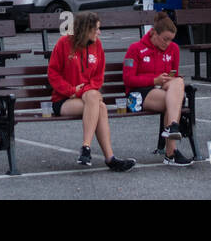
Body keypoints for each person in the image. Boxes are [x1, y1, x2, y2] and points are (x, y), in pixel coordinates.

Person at [46, 11, 135, 171]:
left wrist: (82, 91)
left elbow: (98, 77)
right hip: (64, 99)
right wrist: (72, 90)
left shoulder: (98, 45)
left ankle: (88, 149)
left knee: (95, 99)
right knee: (99, 105)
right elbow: (53, 74)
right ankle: (109, 158)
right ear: (85, 29)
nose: (99, 33)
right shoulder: (63, 43)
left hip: (87, 95)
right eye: (96, 29)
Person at [124, 13, 190, 166]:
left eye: (171, 40)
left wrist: (169, 80)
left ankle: (171, 126)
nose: (168, 43)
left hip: (164, 90)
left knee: (178, 82)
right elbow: (128, 79)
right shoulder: (135, 49)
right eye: (165, 39)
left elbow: (175, 74)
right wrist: (154, 80)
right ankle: (171, 153)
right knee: (174, 102)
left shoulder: (174, 49)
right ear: (154, 33)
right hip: (139, 93)